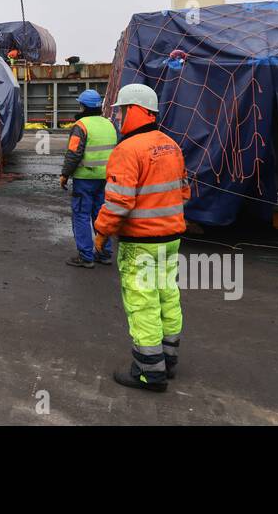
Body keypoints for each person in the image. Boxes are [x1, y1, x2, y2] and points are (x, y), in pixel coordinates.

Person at [93, 83, 190, 393]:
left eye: (121, 111)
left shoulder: (127, 150)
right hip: (171, 238)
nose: (119, 118)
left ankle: (149, 373)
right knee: (167, 295)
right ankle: (168, 360)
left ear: (135, 111)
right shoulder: (171, 146)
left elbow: (118, 203)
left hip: (142, 243)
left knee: (142, 304)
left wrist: (101, 233)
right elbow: (184, 191)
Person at [59, 88, 118, 268]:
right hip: (105, 178)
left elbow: (74, 153)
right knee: (101, 214)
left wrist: (65, 174)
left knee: (81, 215)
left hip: (85, 179)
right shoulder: (110, 124)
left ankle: (86, 256)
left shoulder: (81, 126)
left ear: (82, 106)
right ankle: (104, 252)